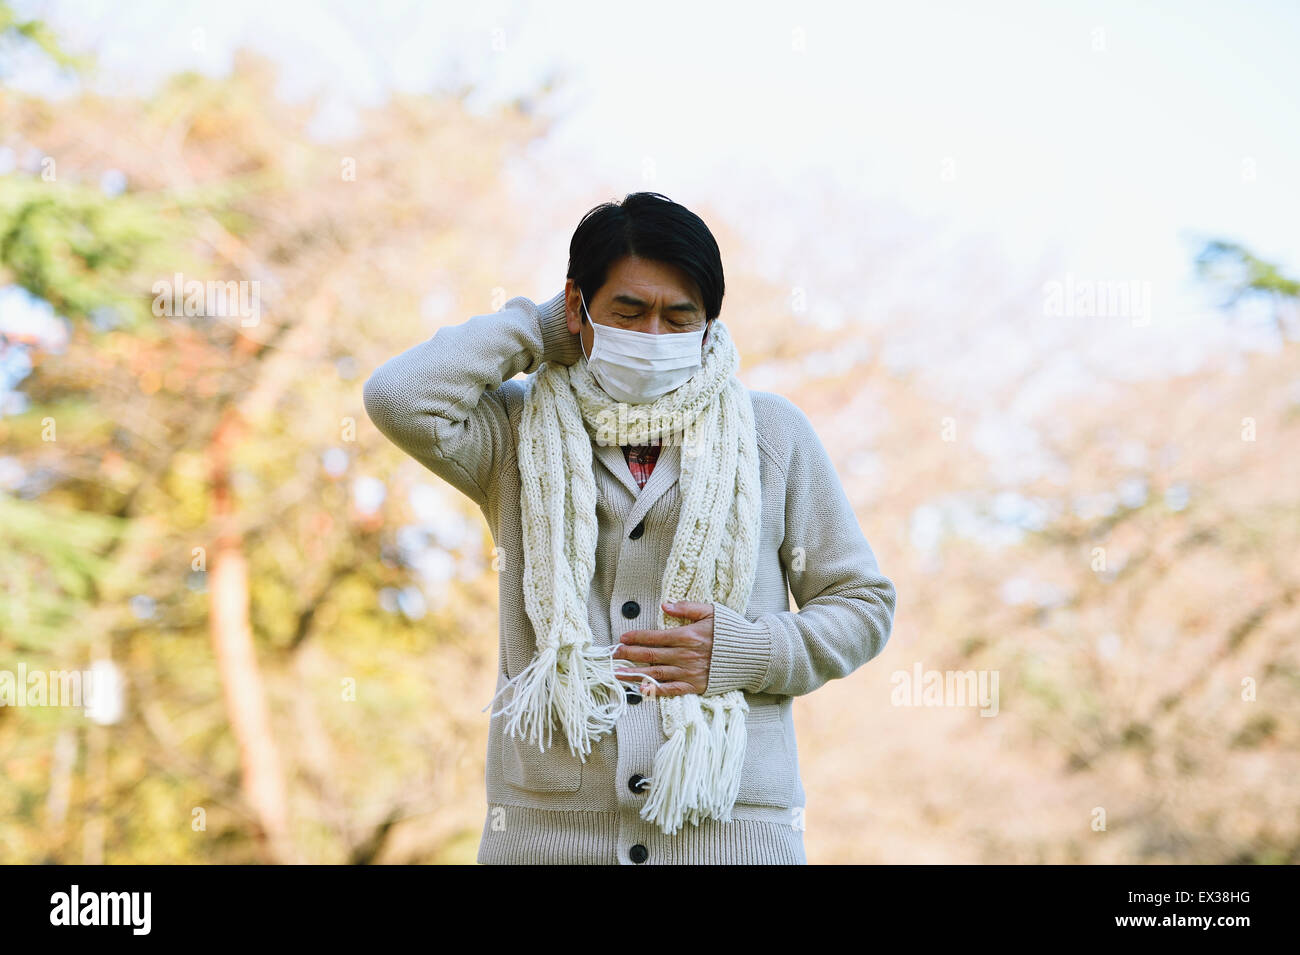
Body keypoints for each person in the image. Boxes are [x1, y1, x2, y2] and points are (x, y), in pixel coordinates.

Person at [362, 191, 896, 864]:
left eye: (680, 317)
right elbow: (400, 396)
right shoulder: (517, 433)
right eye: (629, 311)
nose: (653, 338)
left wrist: (748, 651)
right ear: (579, 307)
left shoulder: (771, 436)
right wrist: (538, 330)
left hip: (730, 836)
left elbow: (862, 604)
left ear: (709, 325)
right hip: (550, 838)